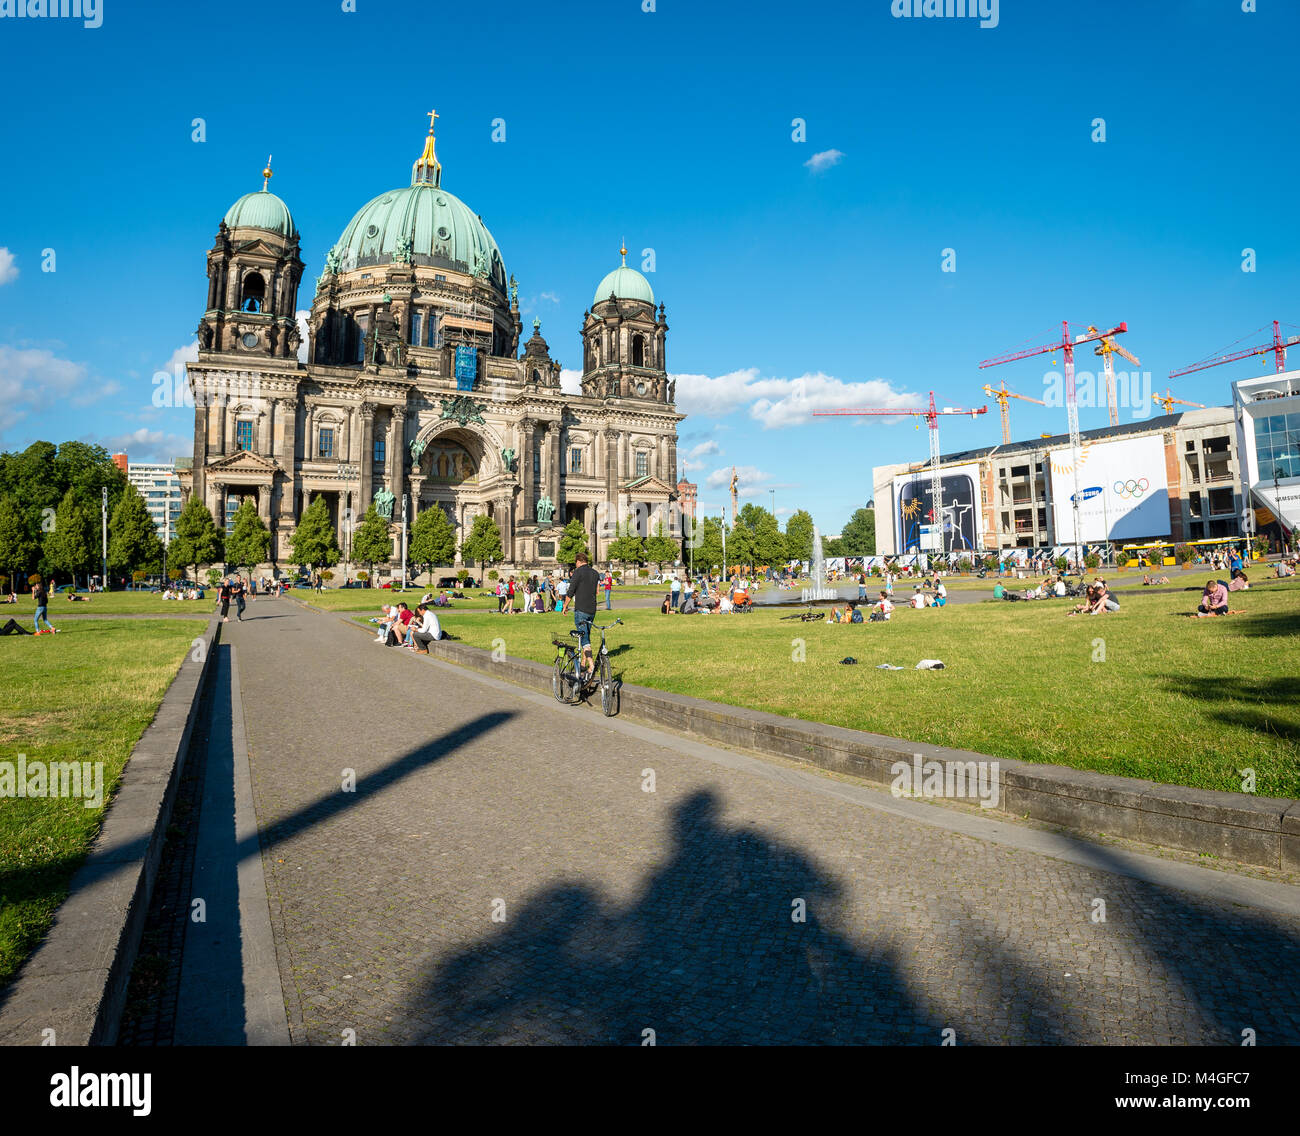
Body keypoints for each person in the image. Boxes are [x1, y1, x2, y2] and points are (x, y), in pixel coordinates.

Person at [568, 551, 601, 682]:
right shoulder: (595, 573)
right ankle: (583, 663)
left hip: (581, 608)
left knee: (584, 637)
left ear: (578, 561)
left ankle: (591, 665)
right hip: (592, 609)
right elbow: (597, 591)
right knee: (586, 634)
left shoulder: (578, 572)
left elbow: (571, 590)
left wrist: (565, 606)